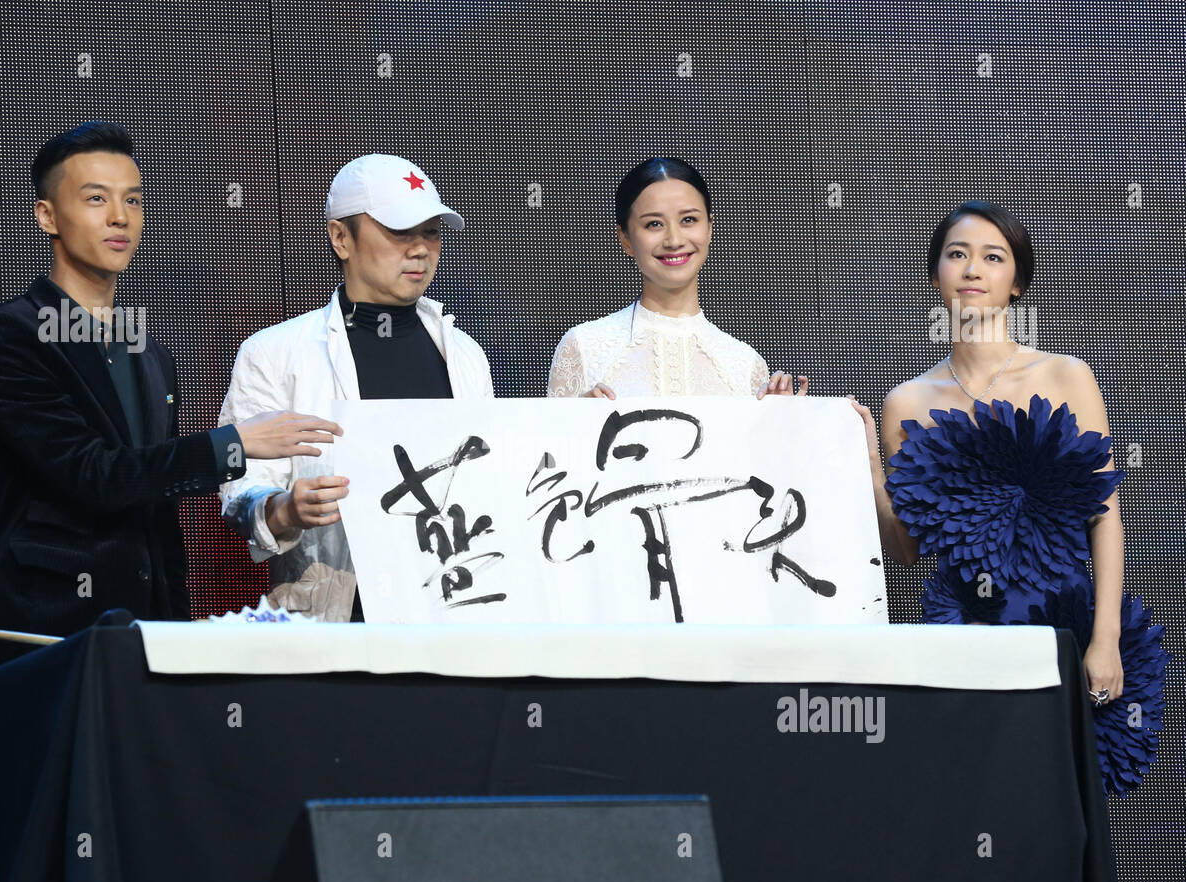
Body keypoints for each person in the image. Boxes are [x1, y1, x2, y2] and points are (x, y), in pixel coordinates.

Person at [0, 122, 332, 675]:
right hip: (46, 636)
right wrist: (235, 444)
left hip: (148, 641)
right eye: (96, 199)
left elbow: (157, 511)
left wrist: (176, 626)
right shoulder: (10, 337)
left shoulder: (151, 354)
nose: (120, 217)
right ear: (47, 217)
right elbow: (90, 475)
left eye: (132, 199)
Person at [849, 200, 1166, 794]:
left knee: (1060, 807)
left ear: (1015, 282)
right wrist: (872, 468)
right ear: (936, 272)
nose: (973, 269)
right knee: (972, 800)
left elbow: (1105, 516)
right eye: (957, 254)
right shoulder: (907, 402)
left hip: (1062, 624)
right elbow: (905, 553)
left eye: (992, 257)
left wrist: (1103, 640)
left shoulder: (1066, 376)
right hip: (964, 627)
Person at [219, 154, 494, 620]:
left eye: (431, 231)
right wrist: (284, 509)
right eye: (399, 231)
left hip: (454, 612)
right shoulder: (274, 354)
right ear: (341, 237)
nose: (421, 249)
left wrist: (571, 430)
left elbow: (491, 477)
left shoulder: (464, 354)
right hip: (335, 617)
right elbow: (240, 491)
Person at [548, 157, 805, 399]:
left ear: (709, 228)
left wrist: (781, 422)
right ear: (625, 238)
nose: (674, 240)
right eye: (654, 224)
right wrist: (581, 424)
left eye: (689, 220)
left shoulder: (746, 364)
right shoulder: (583, 348)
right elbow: (548, 443)